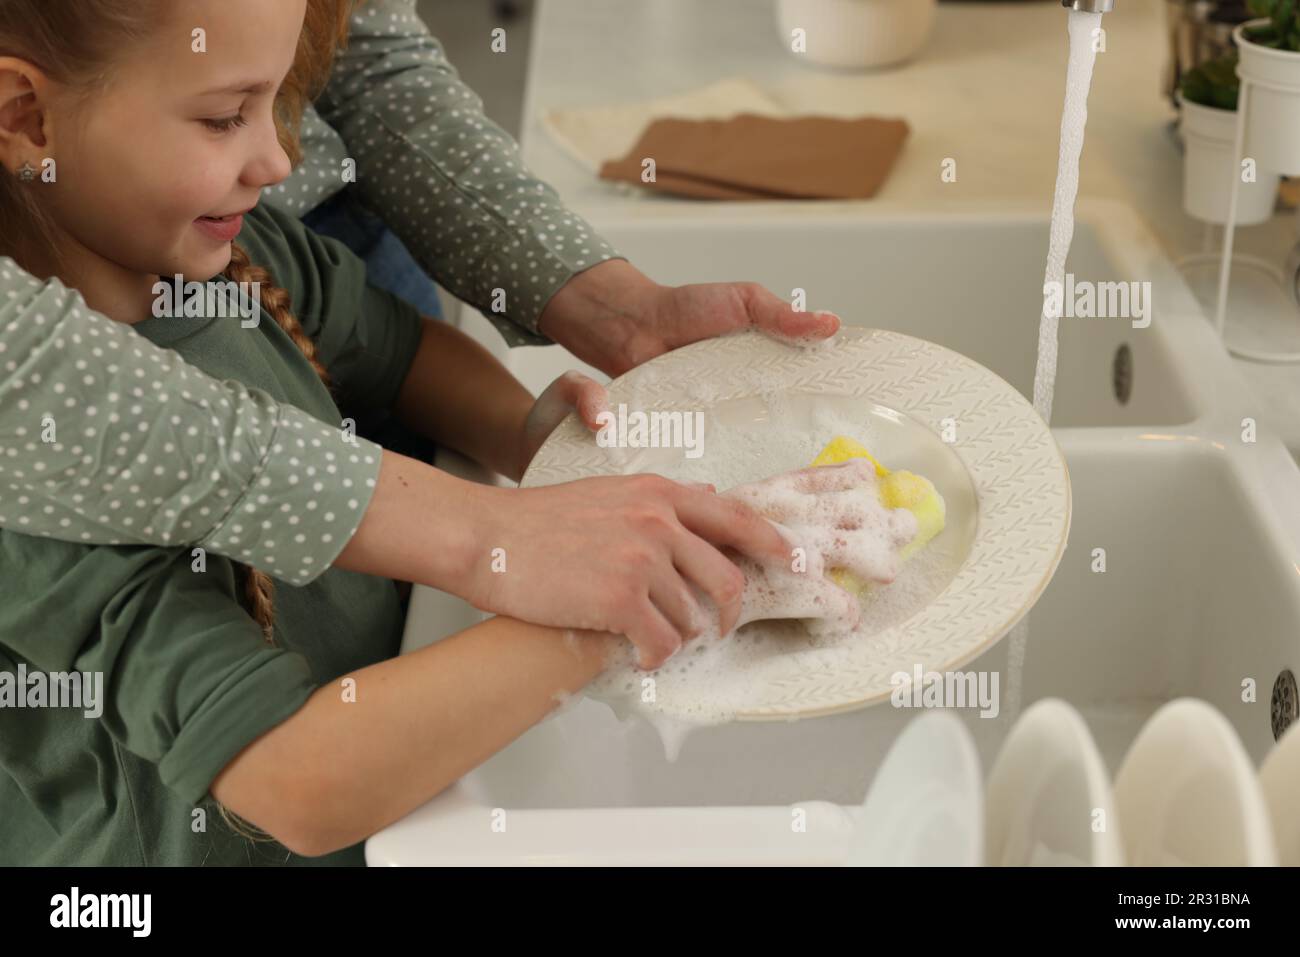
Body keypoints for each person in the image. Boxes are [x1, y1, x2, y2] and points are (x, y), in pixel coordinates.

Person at [0, 0, 837, 865]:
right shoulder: (47, 485)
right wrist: (602, 611)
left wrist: (531, 439)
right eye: (223, 117)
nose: (279, 159)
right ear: (26, 117)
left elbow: (399, 357)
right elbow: (297, 782)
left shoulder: (240, 258)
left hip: (399, 804)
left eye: (278, 102)